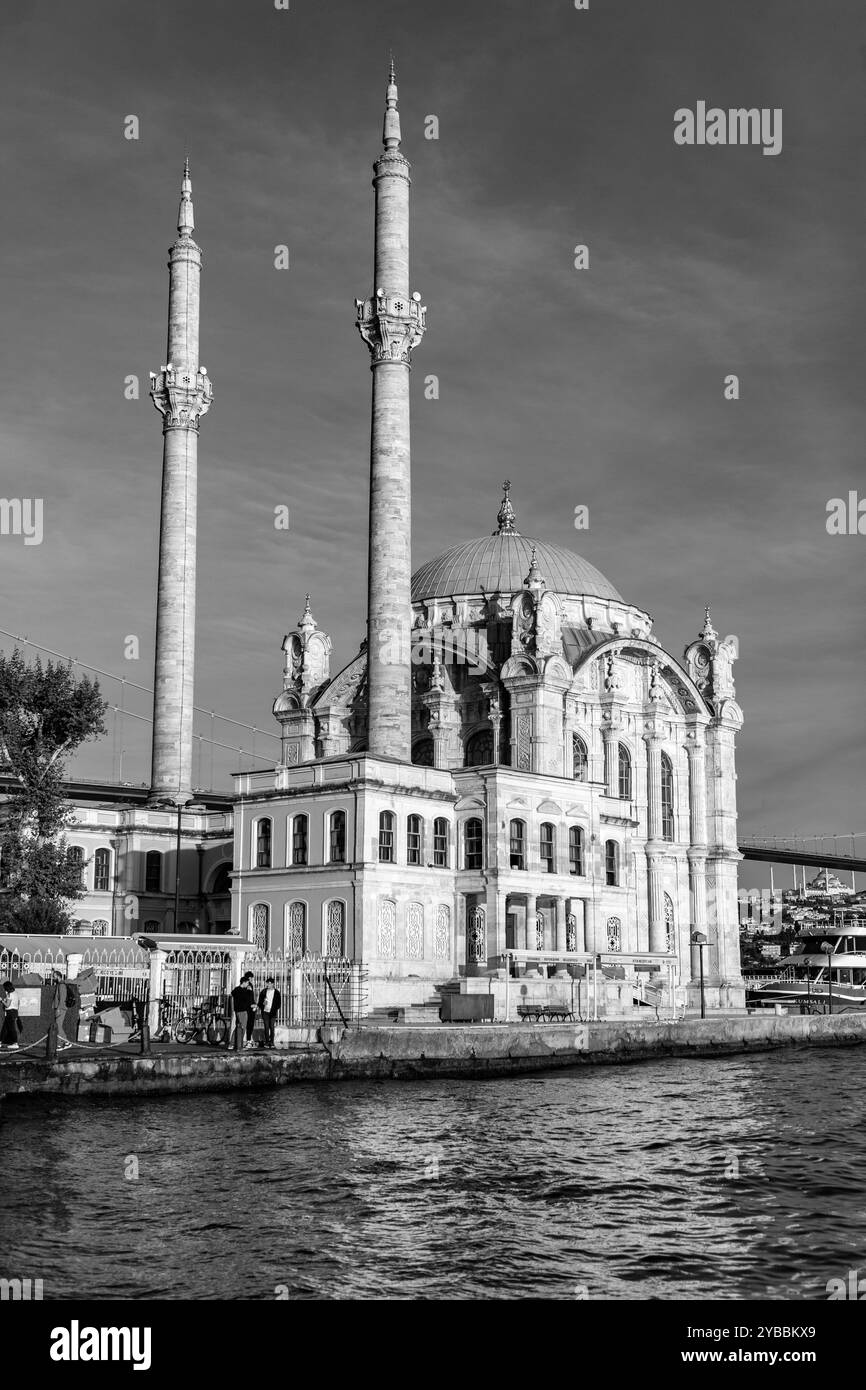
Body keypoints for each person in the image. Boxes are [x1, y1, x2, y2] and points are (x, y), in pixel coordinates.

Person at [229, 974, 255, 1052]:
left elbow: (233, 994)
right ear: (243, 982)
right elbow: (247, 1000)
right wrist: (250, 991)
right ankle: (237, 1045)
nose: (248, 984)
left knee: (238, 1027)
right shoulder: (244, 991)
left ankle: (233, 1044)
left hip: (237, 1011)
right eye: (247, 983)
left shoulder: (236, 990)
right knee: (242, 1028)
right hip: (243, 1011)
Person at [257, 977, 282, 1049]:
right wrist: (262, 1004)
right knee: (266, 1027)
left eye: (269, 983)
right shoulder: (263, 992)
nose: (267, 985)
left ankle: (272, 1042)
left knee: (272, 1027)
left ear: (273, 984)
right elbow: (260, 1002)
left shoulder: (277, 992)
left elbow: (279, 1004)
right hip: (265, 1012)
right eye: (267, 983)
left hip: (273, 1012)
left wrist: (274, 1009)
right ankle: (267, 1042)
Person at [0, 981, 21, 1051]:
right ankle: (0, 1041)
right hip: (15, 1011)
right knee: (5, 1028)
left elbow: (7, 1005)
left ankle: (15, 1043)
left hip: (10, 1012)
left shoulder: (10, 994)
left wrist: (2, 1000)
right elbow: (18, 1003)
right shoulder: (16, 993)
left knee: (11, 1028)